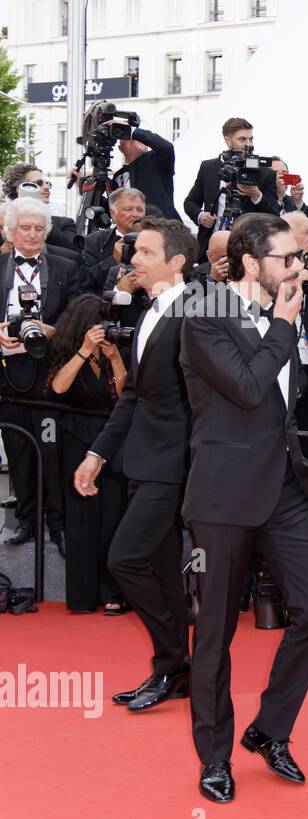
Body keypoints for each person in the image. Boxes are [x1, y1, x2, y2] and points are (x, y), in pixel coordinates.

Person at [179, 213, 308, 803]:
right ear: (251, 263)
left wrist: (287, 322)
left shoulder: (290, 313)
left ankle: (271, 728)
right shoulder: (203, 315)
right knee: (215, 632)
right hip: (222, 493)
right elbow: (247, 388)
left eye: (300, 256)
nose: (299, 267)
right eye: (287, 258)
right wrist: (281, 325)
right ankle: (214, 756)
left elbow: (291, 397)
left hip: (284, 489)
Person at [75, 217, 197, 711]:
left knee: (125, 558)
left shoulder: (196, 312)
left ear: (176, 262)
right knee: (165, 570)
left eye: (145, 252)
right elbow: (135, 396)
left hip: (177, 463)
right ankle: (176, 668)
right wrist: (97, 453)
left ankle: (174, 662)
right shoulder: (152, 310)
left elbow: (205, 398)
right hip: (142, 458)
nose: (133, 259)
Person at [1, 196, 80, 550]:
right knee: (17, 445)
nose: (32, 235)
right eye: (25, 228)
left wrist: (52, 330)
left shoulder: (67, 265)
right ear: (10, 230)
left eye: (38, 229)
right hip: (7, 370)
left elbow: (78, 314)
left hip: (50, 368)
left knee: (52, 448)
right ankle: (26, 519)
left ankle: (58, 521)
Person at [48, 295, 128, 613]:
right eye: (98, 323)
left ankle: (113, 592)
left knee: (113, 515)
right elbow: (59, 387)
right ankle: (81, 596)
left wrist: (116, 358)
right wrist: (84, 351)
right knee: (81, 518)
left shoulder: (117, 348)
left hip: (112, 438)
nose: (104, 329)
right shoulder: (67, 350)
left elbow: (125, 396)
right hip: (76, 436)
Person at [182, 116, 280, 260]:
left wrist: (256, 195)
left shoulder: (265, 173)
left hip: (250, 251)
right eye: (242, 139)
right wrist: (201, 216)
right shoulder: (208, 167)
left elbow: (274, 217)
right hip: (211, 250)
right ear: (227, 140)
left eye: (251, 139)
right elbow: (190, 202)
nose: (248, 144)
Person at [80, 187, 146, 293]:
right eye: (129, 209)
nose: (136, 214)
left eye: (140, 210)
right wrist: (112, 260)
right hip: (108, 304)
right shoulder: (95, 240)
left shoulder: (155, 239)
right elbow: (87, 282)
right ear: (113, 213)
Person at [113, 125, 180, 220]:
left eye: (137, 137)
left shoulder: (157, 160)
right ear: (120, 148)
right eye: (127, 136)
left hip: (163, 228)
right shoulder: (119, 176)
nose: (134, 139)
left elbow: (167, 147)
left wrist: (133, 131)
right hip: (135, 231)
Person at [2, 163, 77, 249]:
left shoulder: (65, 223)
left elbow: (74, 253)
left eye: (47, 183)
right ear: (20, 189)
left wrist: (43, 220)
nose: (46, 187)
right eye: (38, 183)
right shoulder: (3, 222)